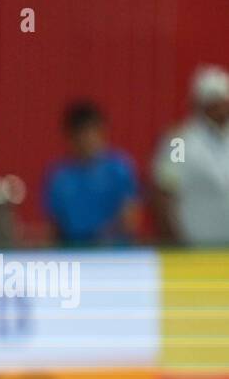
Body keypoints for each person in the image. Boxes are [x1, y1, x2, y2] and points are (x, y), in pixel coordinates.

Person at [43, 101, 140, 246]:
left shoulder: (119, 170)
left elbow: (131, 219)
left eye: (92, 132)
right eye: (81, 133)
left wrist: (101, 240)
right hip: (73, 255)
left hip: (115, 255)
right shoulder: (59, 177)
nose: (87, 139)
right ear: (70, 137)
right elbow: (54, 228)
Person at [152, 65, 229, 247]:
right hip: (194, 247)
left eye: (222, 101)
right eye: (213, 103)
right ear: (200, 105)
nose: (220, 108)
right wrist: (172, 240)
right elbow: (165, 191)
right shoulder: (180, 142)